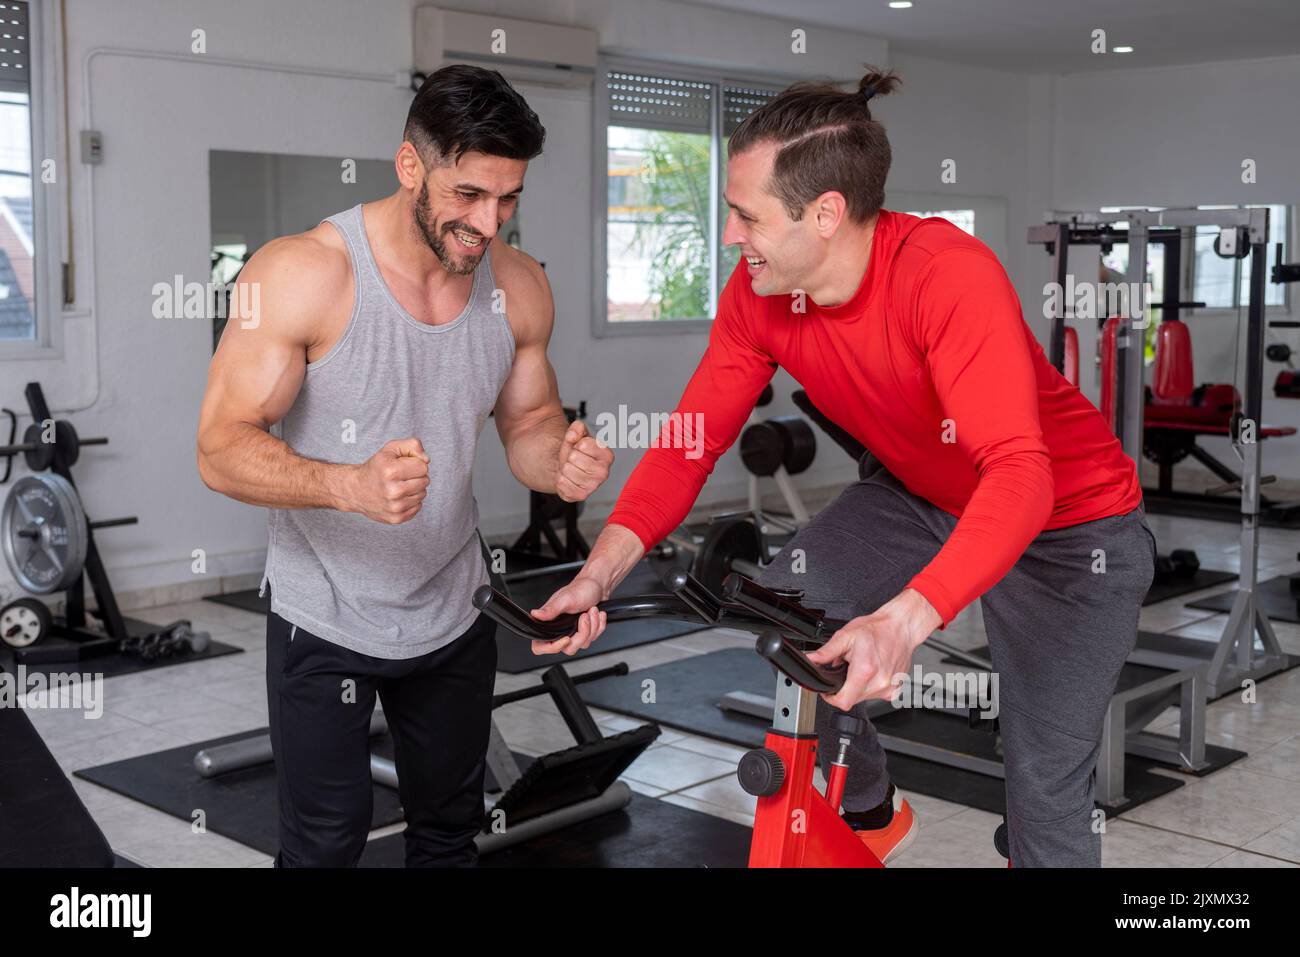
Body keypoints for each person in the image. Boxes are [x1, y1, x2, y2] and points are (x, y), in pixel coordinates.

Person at [532, 68, 1154, 867]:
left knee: (1044, 792)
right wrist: (599, 572)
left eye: (745, 215)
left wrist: (904, 618)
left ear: (824, 214)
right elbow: (689, 439)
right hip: (922, 493)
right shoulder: (759, 293)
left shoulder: (943, 274)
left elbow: (1019, 473)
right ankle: (868, 808)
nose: (730, 235)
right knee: (790, 610)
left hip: (1073, 529)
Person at [196, 65, 612, 867]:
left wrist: (559, 461)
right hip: (325, 615)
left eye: (508, 198)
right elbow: (219, 446)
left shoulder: (519, 288)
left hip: (453, 611)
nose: (488, 223)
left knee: (450, 833)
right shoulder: (301, 274)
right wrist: (344, 484)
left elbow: (526, 425)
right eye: (468, 195)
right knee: (325, 845)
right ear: (410, 165)